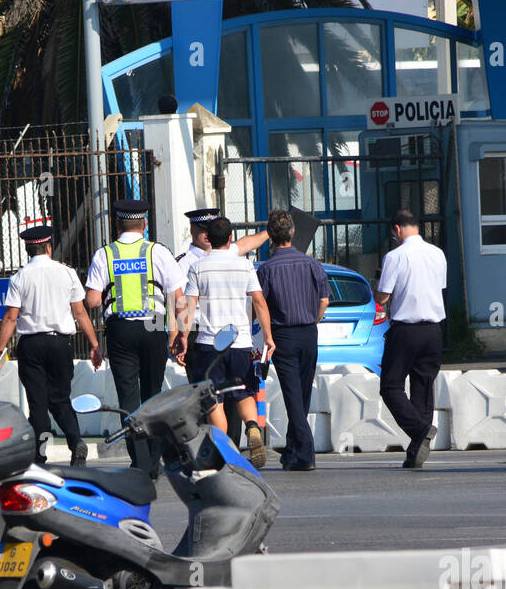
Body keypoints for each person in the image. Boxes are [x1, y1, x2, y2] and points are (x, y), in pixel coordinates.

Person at [85, 198, 184, 478]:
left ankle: (140, 462)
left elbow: (92, 300)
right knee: (152, 393)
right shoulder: (158, 252)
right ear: (144, 224)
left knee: (128, 398)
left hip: (121, 328)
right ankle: (154, 460)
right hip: (154, 324)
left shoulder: (105, 254)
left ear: (117, 224)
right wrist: (181, 333)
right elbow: (179, 295)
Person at [0, 223, 102, 467]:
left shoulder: (20, 277)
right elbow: (81, 313)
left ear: (28, 250)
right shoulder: (67, 273)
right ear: (49, 247)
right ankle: (76, 441)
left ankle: (39, 455)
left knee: (38, 402)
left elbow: (11, 317)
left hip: (31, 345)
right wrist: (94, 344)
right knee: (61, 397)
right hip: (60, 343)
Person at [173, 216, 275, 468]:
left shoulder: (198, 267)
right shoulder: (245, 266)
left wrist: (183, 336)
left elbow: (189, 305)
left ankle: (225, 449)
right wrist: (268, 338)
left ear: (210, 239)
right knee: (243, 393)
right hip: (240, 342)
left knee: (214, 397)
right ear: (230, 239)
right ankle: (252, 427)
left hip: (209, 344)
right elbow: (260, 303)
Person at [256, 210, 329, 471]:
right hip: (309, 332)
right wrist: (315, 320)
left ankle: (305, 453)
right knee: (302, 394)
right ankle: (292, 451)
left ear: (270, 237)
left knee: (293, 396)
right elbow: (324, 300)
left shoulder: (266, 269)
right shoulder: (311, 264)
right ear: (293, 233)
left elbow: (260, 305)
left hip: (283, 335)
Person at [374, 210, 446, 470]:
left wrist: (378, 282)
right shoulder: (438, 254)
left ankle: (420, 431)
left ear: (397, 229)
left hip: (405, 330)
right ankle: (416, 451)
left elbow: (383, 297)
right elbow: (438, 288)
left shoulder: (395, 256)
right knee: (423, 387)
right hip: (433, 330)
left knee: (391, 387)